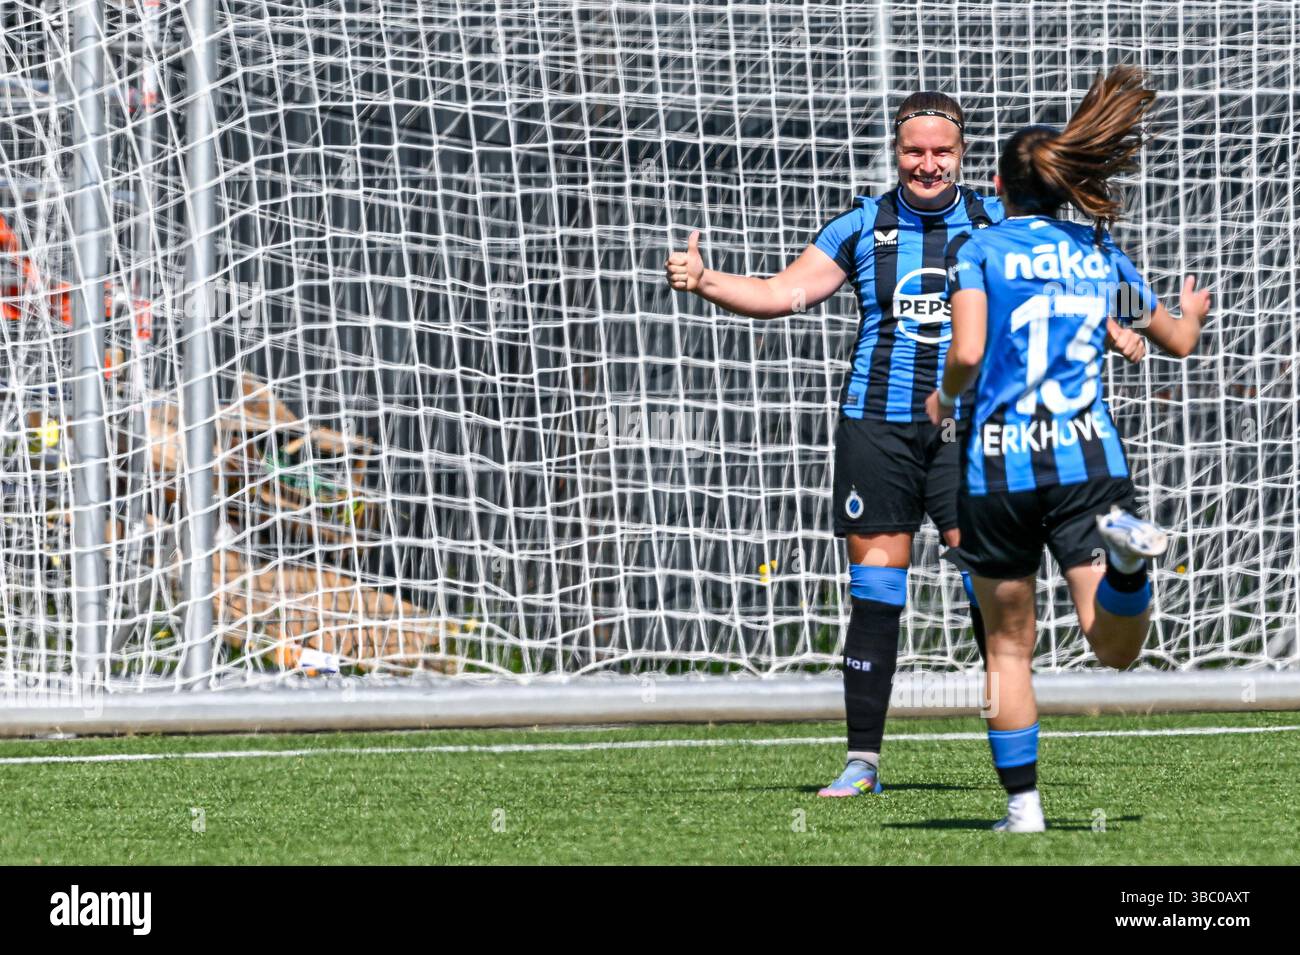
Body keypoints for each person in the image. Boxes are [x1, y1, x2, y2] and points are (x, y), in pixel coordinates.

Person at [667, 92, 1146, 797]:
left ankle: (1013, 777)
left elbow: (1055, 287)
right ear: (897, 153)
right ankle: (862, 762)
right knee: (877, 594)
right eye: (914, 151)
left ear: (963, 158)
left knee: (993, 598)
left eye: (941, 152)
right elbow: (783, 292)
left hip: (969, 433)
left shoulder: (991, 223)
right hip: (878, 428)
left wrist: (1115, 327)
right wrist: (707, 280)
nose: (927, 163)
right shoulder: (863, 226)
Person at [927, 66, 1211, 831]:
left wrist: (948, 398)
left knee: (1008, 650)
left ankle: (1023, 810)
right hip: (1089, 461)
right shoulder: (1097, 255)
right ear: (1067, 182)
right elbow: (1176, 340)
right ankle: (1124, 564)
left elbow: (966, 351)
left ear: (997, 185)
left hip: (999, 466)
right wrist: (1186, 310)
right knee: (1113, 648)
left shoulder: (980, 249)